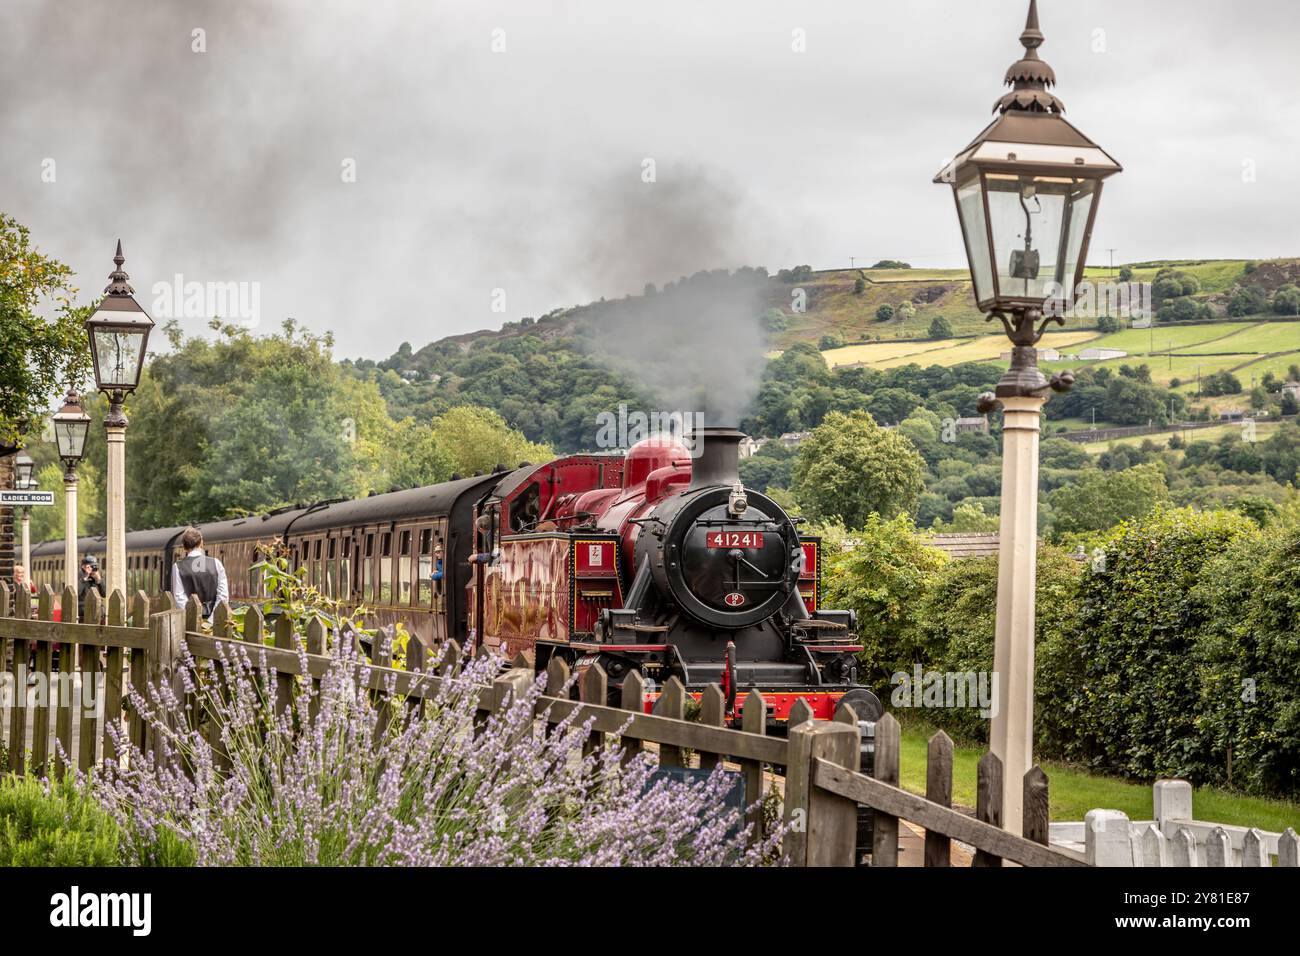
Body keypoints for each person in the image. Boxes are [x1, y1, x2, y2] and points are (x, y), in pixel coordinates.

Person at [170, 527, 228, 622]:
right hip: (215, 620)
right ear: (201, 543)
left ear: (184, 547)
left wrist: (192, 619)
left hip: (190, 621)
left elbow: (179, 597)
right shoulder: (216, 563)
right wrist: (212, 619)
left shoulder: (178, 567)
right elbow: (223, 595)